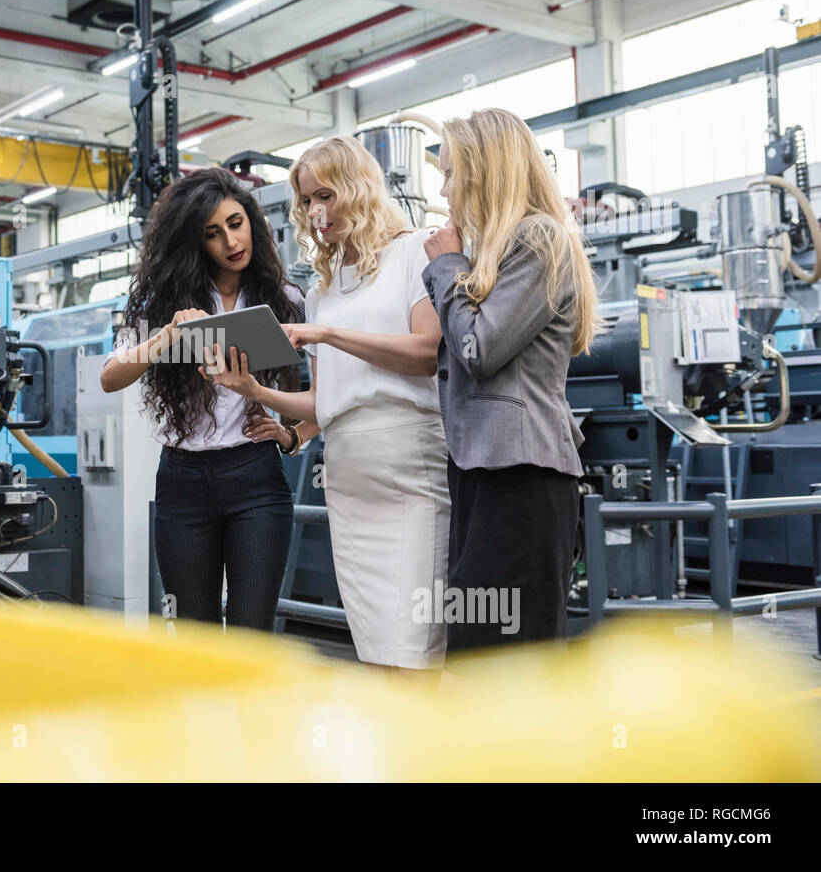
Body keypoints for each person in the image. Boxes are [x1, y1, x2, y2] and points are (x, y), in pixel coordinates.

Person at [203, 136, 449, 676]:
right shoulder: (324, 290)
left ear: (359, 190)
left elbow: (425, 353)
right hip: (347, 476)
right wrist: (256, 394)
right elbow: (324, 399)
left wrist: (329, 333)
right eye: (307, 201)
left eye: (326, 196)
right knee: (376, 652)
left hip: (409, 470)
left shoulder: (415, 253)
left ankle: (437, 756)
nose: (316, 212)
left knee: (415, 649)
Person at [421, 107, 600, 652]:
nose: (446, 189)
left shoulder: (540, 239)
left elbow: (478, 349)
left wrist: (448, 266)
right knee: (480, 649)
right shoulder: (495, 251)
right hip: (483, 471)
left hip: (522, 475)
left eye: (451, 173)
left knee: (510, 658)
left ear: (484, 170)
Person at [100, 167, 305, 631]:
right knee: (196, 637)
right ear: (195, 242)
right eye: (213, 234)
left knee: (252, 635)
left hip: (255, 477)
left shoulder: (285, 298)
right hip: (183, 484)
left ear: (251, 219)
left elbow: (334, 389)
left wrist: (293, 436)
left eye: (236, 223)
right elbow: (111, 378)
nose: (231, 242)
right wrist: (167, 336)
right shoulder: (163, 303)